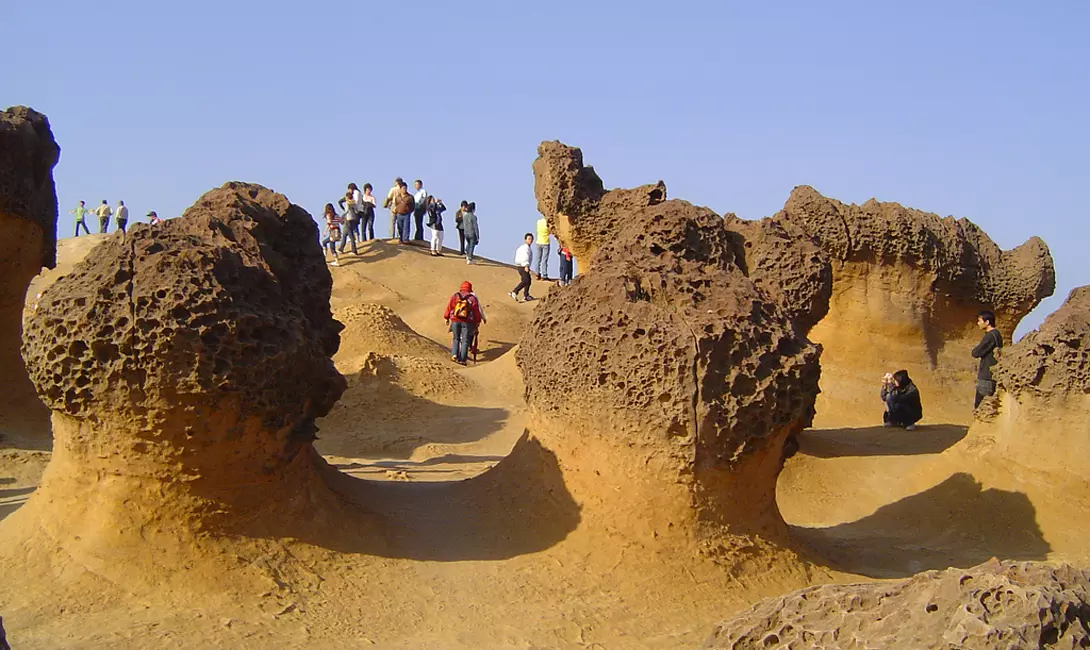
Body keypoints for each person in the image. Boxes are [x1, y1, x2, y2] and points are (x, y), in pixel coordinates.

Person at [444, 281, 486, 365]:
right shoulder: (472, 298)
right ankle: (462, 359)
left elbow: (449, 307)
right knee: (465, 341)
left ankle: (454, 354)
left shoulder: (455, 296)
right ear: (470, 288)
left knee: (456, 338)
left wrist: (446, 317)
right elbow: (476, 311)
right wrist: (478, 321)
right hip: (467, 322)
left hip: (455, 320)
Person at [971, 310, 1004, 408]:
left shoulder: (990, 336)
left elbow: (976, 353)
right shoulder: (997, 334)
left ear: (987, 322)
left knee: (981, 406)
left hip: (987, 375)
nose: (978, 323)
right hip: (992, 375)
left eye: (980, 321)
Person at [509, 233, 535, 302]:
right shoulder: (525, 248)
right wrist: (526, 265)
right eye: (529, 239)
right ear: (525, 240)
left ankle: (526, 295)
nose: (530, 240)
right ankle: (514, 292)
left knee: (528, 280)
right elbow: (525, 257)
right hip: (522, 266)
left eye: (531, 239)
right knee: (526, 280)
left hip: (521, 266)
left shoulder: (526, 248)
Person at [337, 186, 361, 255]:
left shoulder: (348, 203)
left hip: (348, 219)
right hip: (354, 219)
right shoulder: (354, 203)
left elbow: (346, 211)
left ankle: (354, 250)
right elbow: (356, 210)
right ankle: (341, 248)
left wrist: (342, 216)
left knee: (350, 235)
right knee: (345, 234)